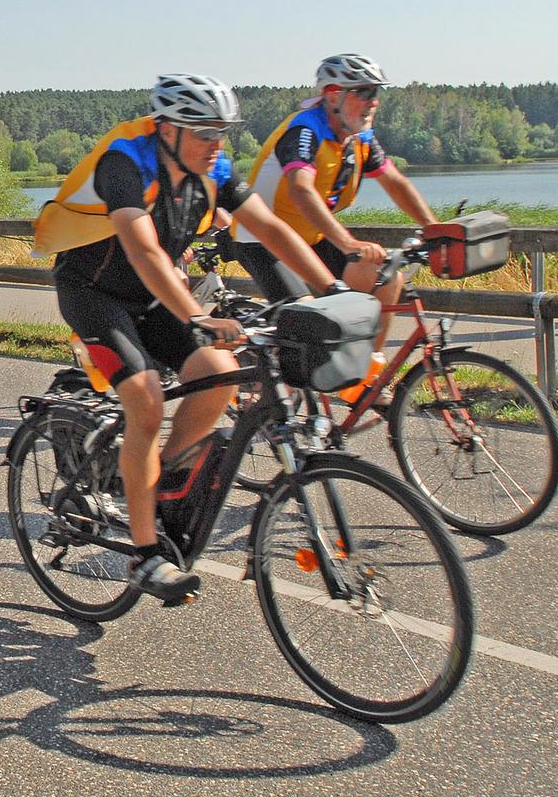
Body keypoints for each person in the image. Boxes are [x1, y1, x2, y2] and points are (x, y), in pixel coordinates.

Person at [35, 73, 348, 604]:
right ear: (169, 129)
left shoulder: (214, 169)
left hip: (153, 297)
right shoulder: (125, 160)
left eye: (223, 133)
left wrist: (330, 289)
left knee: (220, 372)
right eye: (206, 133)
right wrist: (198, 316)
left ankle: (158, 485)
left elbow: (269, 229)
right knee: (147, 400)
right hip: (93, 292)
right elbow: (143, 250)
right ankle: (144, 553)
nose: (217, 145)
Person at [232, 54, 436, 385]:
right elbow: (301, 190)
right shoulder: (305, 130)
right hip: (262, 240)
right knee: (306, 317)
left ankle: (364, 374)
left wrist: (434, 228)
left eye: (375, 93)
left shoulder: (359, 138)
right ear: (332, 95)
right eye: (364, 92)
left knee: (387, 276)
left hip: (309, 238)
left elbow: (394, 182)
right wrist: (348, 242)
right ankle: (265, 401)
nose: (373, 101)